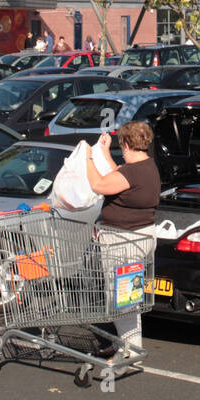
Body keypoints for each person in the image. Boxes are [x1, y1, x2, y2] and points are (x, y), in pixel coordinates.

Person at [84, 122, 160, 362]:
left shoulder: (133, 171)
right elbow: (118, 174)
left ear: (126, 143)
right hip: (137, 236)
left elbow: (99, 184)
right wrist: (105, 153)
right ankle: (125, 344)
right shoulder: (145, 166)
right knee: (127, 294)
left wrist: (87, 159)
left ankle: (129, 350)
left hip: (124, 240)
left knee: (123, 297)